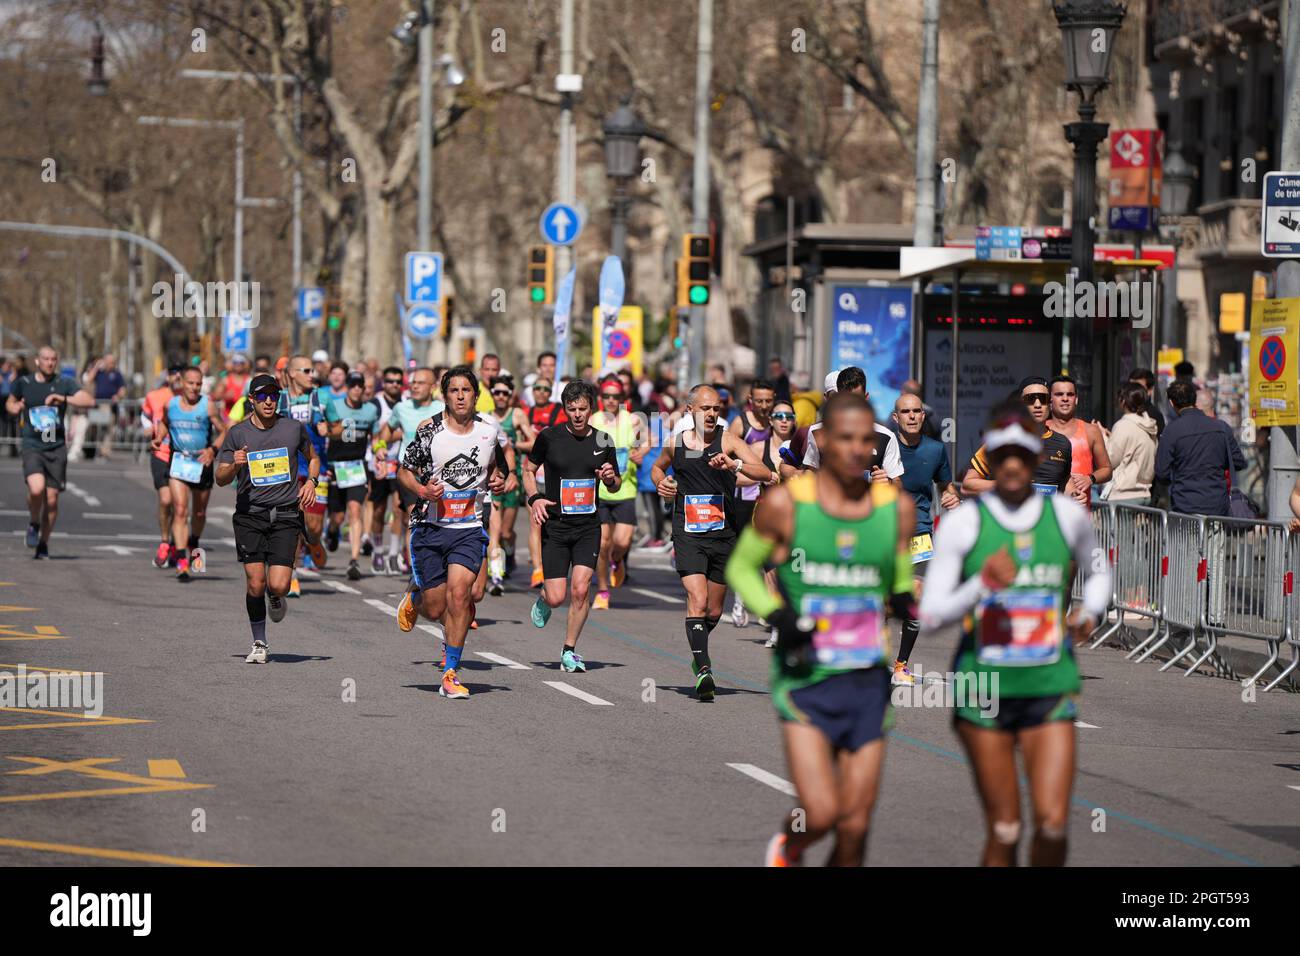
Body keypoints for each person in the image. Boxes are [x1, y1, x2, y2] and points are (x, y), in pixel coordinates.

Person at [725, 392, 915, 866]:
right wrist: (779, 615)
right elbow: (742, 569)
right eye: (845, 438)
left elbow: (899, 581)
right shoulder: (787, 504)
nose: (856, 450)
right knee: (823, 812)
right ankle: (790, 845)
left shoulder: (894, 510)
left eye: (866, 441)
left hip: (868, 683)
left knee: (855, 826)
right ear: (823, 440)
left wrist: (909, 597)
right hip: (806, 680)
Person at [919, 400, 1109, 866]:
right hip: (983, 687)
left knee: (1052, 824)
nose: (1009, 465)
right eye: (999, 455)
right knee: (1006, 827)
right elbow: (930, 616)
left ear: (1033, 460)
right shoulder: (966, 523)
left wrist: (1090, 613)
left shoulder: (1066, 517)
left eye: (1019, 456)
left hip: (1048, 684)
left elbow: (1099, 570)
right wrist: (982, 583)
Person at [651, 385, 773, 699]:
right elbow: (656, 467)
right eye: (705, 408)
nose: (711, 414)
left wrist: (735, 465)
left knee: (714, 611)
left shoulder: (728, 440)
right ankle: (704, 669)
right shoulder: (677, 444)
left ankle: (698, 648)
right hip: (688, 532)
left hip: (724, 533)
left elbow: (764, 472)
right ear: (690, 409)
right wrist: (662, 483)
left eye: (716, 409)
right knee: (698, 599)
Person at [395, 367, 507, 699]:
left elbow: (494, 468)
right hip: (430, 528)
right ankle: (416, 594)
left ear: (476, 395)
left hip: (468, 529)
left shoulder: (489, 432)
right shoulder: (430, 432)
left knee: (461, 596)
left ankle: (450, 673)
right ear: (444, 396)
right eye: (454, 390)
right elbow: (404, 471)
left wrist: (499, 479)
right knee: (434, 608)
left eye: (466, 390)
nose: (460, 395)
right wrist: (421, 489)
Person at [216, 373, 321, 664]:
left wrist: (312, 481)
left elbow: (313, 457)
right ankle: (259, 642)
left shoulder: (292, 428)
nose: (269, 401)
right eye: (262, 396)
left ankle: (276, 597)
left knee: (277, 585)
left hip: (286, 514)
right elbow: (220, 478)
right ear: (251, 400)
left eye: (273, 395)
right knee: (255, 583)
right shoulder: (237, 434)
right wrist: (233, 464)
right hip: (250, 515)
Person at [523, 380, 621, 673]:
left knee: (580, 590)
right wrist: (535, 498)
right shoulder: (549, 437)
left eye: (582, 409)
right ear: (564, 409)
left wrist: (609, 478)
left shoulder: (603, 441)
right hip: (556, 526)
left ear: (592, 408)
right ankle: (544, 597)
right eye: (571, 409)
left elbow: (614, 486)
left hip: (588, 527)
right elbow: (528, 470)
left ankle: (568, 650)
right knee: (556, 596)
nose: (577, 414)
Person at [890, 391, 961, 686]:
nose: (911, 416)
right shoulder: (883, 447)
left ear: (922, 415)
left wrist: (952, 498)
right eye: (905, 412)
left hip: (920, 532)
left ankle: (901, 665)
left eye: (916, 411)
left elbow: (945, 487)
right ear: (896, 418)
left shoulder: (935, 450)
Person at [5, 346, 96, 558]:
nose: (49, 363)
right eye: (45, 359)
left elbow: (88, 401)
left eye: (53, 359)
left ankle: (44, 543)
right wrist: (15, 407)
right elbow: (10, 402)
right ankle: (34, 522)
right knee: (37, 490)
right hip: (33, 445)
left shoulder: (64, 383)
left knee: (52, 499)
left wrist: (63, 399)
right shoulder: (24, 383)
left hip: (56, 448)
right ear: (37, 361)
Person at [152, 366, 226, 580]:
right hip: (179, 462)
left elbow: (224, 431)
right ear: (182, 383)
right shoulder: (172, 405)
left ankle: (194, 541)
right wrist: (159, 438)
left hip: (201, 463)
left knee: (199, 513)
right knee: (181, 509)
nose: (194, 388)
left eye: (198, 384)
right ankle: (182, 560)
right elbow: (165, 424)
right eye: (190, 383)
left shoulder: (208, 406)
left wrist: (212, 450)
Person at [374, 367, 443, 576]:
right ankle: (416, 569)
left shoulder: (442, 408)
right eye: (413, 382)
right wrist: (380, 448)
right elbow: (384, 431)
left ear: (432, 387)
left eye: (420, 383)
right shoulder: (401, 408)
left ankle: (431, 560)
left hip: (436, 472)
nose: (414, 386)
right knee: (416, 515)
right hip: (409, 471)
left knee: (435, 520)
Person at [962, 377, 1076, 503]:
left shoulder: (1063, 443)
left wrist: (1074, 495)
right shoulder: (1003, 438)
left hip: (1046, 519)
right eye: (1031, 399)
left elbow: (1065, 483)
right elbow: (967, 485)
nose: (1037, 405)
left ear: (1049, 403)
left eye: (1042, 399)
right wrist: (1010, 485)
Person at [590, 375, 650, 610]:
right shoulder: (594, 420)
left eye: (616, 397)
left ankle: (617, 560)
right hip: (601, 491)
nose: (611, 400)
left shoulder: (633, 420)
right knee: (603, 544)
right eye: (607, 396)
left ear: (622, 398)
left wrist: (641, 453)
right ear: (601, 398)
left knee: (622, 542)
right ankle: (603, 591)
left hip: (625, 488)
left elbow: (648, 440)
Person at [275, 355, 331, 597]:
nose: (312, 375)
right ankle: (293, 572)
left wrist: (332, 429)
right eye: (307, 370)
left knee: (313, 527)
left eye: (313, 370)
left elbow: (345, 426)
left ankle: (314, 542)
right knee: (292, 523)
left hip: (317, 467)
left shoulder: (323, 397)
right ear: (292, 373)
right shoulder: (279, 399)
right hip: (288, 469)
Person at [726, 377, 778, 627]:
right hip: (742, 497)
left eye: (768, 401)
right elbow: (725, 458)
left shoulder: (779, 421)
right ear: (750, 401)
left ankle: (767, 604)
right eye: (760, 401)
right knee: (746, 552)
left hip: (770, 500)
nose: (765, 406)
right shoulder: (741, 423)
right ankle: (739, 600)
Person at [1155, 380, 1245, 517]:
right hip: (1217, 507)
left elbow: (1162, 473)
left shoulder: (1171, 431)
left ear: (1172, 403)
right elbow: (1239, 462)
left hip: (1185, 507)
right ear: (1194, 400)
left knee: (1185, 539)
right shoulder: (1221, 427)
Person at [802, 368, 904, 486]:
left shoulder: (886, 437)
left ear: (866, 398)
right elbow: (811, 471)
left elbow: (897, 483)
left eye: (857, 400)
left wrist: (887, 482)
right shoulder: (818, 432)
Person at [325, 370, 382, 580]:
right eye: (353, 385)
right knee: (338, 517)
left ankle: (354, 560)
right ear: (347, 387)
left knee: (355, 510)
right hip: (336, 465)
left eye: (360, 385)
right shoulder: (335, 406)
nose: (357, 389)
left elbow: (375, 437)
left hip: (358, 467)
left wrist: (380, 451)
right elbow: (326, 432)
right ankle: (331, 530)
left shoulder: (370, 411)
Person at [486, 375, 535, 594]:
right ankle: (496, 576)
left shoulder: (517, 415)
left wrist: (514, 443)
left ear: (511, 395)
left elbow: (534, 442)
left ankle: (510, 551)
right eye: (497, 392)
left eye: (505, 393)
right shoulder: (486, 418)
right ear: (492, 394)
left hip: (513, 477)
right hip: (495, 478)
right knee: (494, 531)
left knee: (506, 532)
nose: (501, 396)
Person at [525, 378, 568, 588]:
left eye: (545, 389)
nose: (541, 392)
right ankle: (537, 569)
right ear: (532, 391)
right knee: (535, 523)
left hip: (554, 477)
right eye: (537, 388)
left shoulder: (559, 412)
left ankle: (554, 565)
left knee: (553, 525)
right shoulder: (525, 412)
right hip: (534, 476)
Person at [1046, 375, 1112, 506]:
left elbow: (1107, 469)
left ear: (1076, 399)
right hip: (1048, 512)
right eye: (1059, 394)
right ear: (1050, 400)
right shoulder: (1040, 429)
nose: (1065, 399)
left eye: (1070, 394)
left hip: (1080, 513)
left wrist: (1090, 478)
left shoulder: (1091, 431)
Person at [142, 365, 185, 568]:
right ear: (168, 376)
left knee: (180, 504)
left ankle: (179, 545)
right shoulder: (155, 396)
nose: (177, 377)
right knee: (166, 500)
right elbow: (145, 415)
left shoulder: (193, 399)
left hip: (185, 457)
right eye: (174, 373)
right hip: (162, 453)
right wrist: (148, 428)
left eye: (181, 374)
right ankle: (164, 541)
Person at [365, 367, 407, 574]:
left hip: (400, 463)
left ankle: (393, 553)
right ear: (384, 382)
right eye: (390, 381)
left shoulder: (406, 403)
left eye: (398, 381)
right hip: (381, 462)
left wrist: (392, 434)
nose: (394, 385)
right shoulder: (375, 403)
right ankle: (378, 550)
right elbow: (374, 434)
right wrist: (395, 435)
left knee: (399, 508)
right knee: (379, 509)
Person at [1105, 382, 1158, 505]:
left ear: (1123, 401)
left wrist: (1103, 439)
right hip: (1144, 492)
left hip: (1123, 494)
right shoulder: (1150, 426)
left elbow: (1111, 460)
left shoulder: (1123, 425)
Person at [87, 353, 126, 458]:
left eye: (113, 362)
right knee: (96, 427)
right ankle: (96, 449)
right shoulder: (99, 372)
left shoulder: (117, 374)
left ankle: (105, 451)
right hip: (97, 404)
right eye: (109, 362)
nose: (111, 365)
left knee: (109, 429)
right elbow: (88, 379)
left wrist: (118, 396)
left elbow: (122, 390)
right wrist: (96, 367)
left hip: (110, 406)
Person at [1126, 369, 1165, 436]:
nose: (1132, 391)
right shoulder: (1128, 410)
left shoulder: (1153, 416)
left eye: (1138, 388)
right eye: (1130, 386)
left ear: (1150, 390)